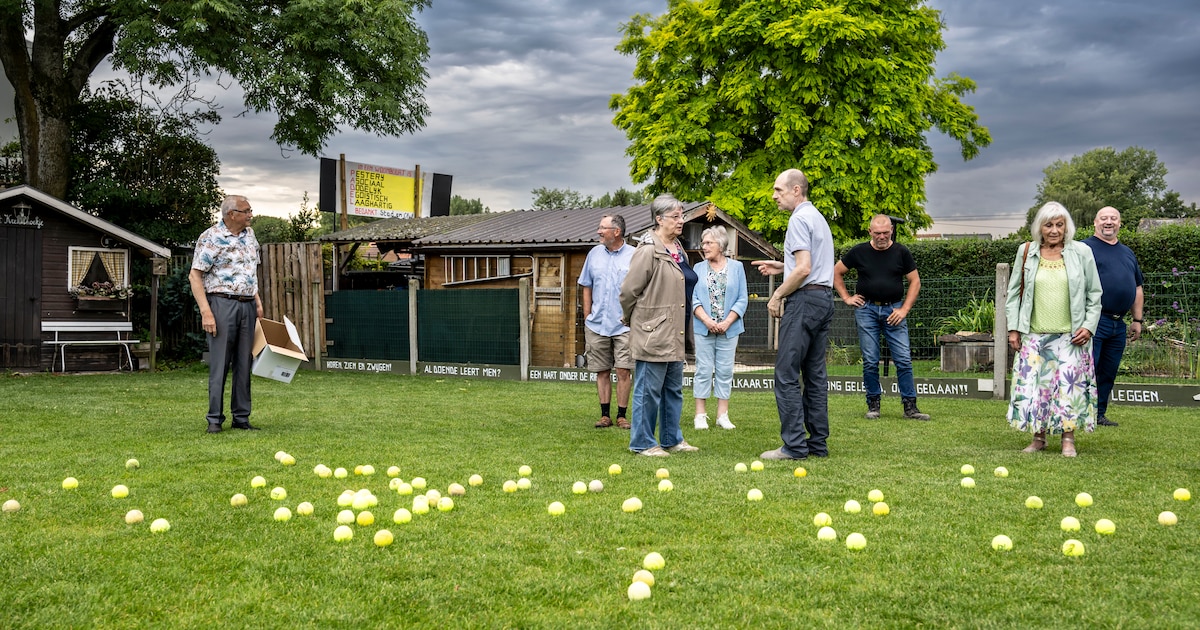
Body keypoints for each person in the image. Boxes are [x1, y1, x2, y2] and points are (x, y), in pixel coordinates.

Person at [1005, 202, 1102, 457]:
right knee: (1038, 389)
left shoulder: (1082, 252)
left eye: (1060, 224)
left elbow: (1094, 293)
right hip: (1034, 336)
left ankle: (1068, 439)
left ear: (1067, 227)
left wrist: (1088, 326)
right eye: (1048, 225)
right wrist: (1013, 329)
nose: (1054, 230)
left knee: (1069, 389)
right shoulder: (1026, 251)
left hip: (1072, 336)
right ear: (1040, 227)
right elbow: (1013, 294)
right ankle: (1039, 438)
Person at [752, 169, 835, 460]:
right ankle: (817, 444)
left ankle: (795, 446)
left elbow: (804, 268)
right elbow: (812, 265)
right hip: (823, 299)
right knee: (814, 375)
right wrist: (782, 266)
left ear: (796, 190)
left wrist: (777, 295)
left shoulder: (798, 219)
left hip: (804, 302)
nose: (774, 196)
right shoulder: (818, 217)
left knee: (786, 373)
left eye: (779, 190)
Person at [620, 194, 700, 456]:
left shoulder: (678, 249)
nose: (681, 220)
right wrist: (634, 320)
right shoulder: (648, 250)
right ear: (659, 219)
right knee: (648, 391)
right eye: (675, 216)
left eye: (682, 215)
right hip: (653, 332)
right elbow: (629, 292)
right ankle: (643, 443)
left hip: (676, 331)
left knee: (672, 390)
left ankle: (671, 439)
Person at [833, 214, 930, 420]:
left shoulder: (901, 252)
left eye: (886, 232)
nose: (882, 237)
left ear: (892, 230)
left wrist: (904, 309)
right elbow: (836, 272)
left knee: (903, 359)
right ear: (870, 232)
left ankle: (910, 407)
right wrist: (847, 298)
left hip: (894, 310)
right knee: (870, 360)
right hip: (866, 310)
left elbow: (915, 281)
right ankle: (873, 405)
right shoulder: (859, 251)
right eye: (877, 233)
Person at [190, 195, 264, 433]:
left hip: (247, 304)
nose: (250, 215)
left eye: (250, 210)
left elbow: (250, 272)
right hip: (221, 303)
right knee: (220, 364)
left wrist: (257, 301)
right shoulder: (211, 237)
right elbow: (195, 276)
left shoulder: (250, 235)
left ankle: (241, 418)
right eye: (246, 211)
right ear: (231, 214)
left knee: (244, 362)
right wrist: (206, 312)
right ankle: (214, 419)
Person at [1084, 206, 1144, 427]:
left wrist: (1137, 320)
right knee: (1087, 369)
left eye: (1113, 218)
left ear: (1120, 223)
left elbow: (1137, 287)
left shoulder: (1127, 253)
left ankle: (1099, 414)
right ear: (1095, 222)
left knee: (1108, 372)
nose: (1108, 222)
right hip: (1094, 320)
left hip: (1119, 324)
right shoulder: (1084, 248)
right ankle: (1081, 413)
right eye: (1104, 218)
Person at [578, 214, 636, 429]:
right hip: (597, 324)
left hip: (624, 325)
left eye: (603, 228)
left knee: (623, 370)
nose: (599, 232)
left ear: (616, 232)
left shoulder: (634, 255)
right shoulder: (594, 254)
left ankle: (621, 416)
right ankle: (605, 416)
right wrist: (587, 316)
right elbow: (586, 285)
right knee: (602, 371)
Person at [691, 226, 748, 430]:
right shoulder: (697, 268)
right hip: (703, 327)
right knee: (703, 369)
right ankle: (700, 415)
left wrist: (727, 322)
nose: (704, 246)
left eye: (709, 243)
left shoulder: (737, 267)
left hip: (729, 329)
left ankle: (722, 415)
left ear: (721, 245)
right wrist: (707, 320)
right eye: (703, 243)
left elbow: (742, 298)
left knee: (725, 370)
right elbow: (693, 298)